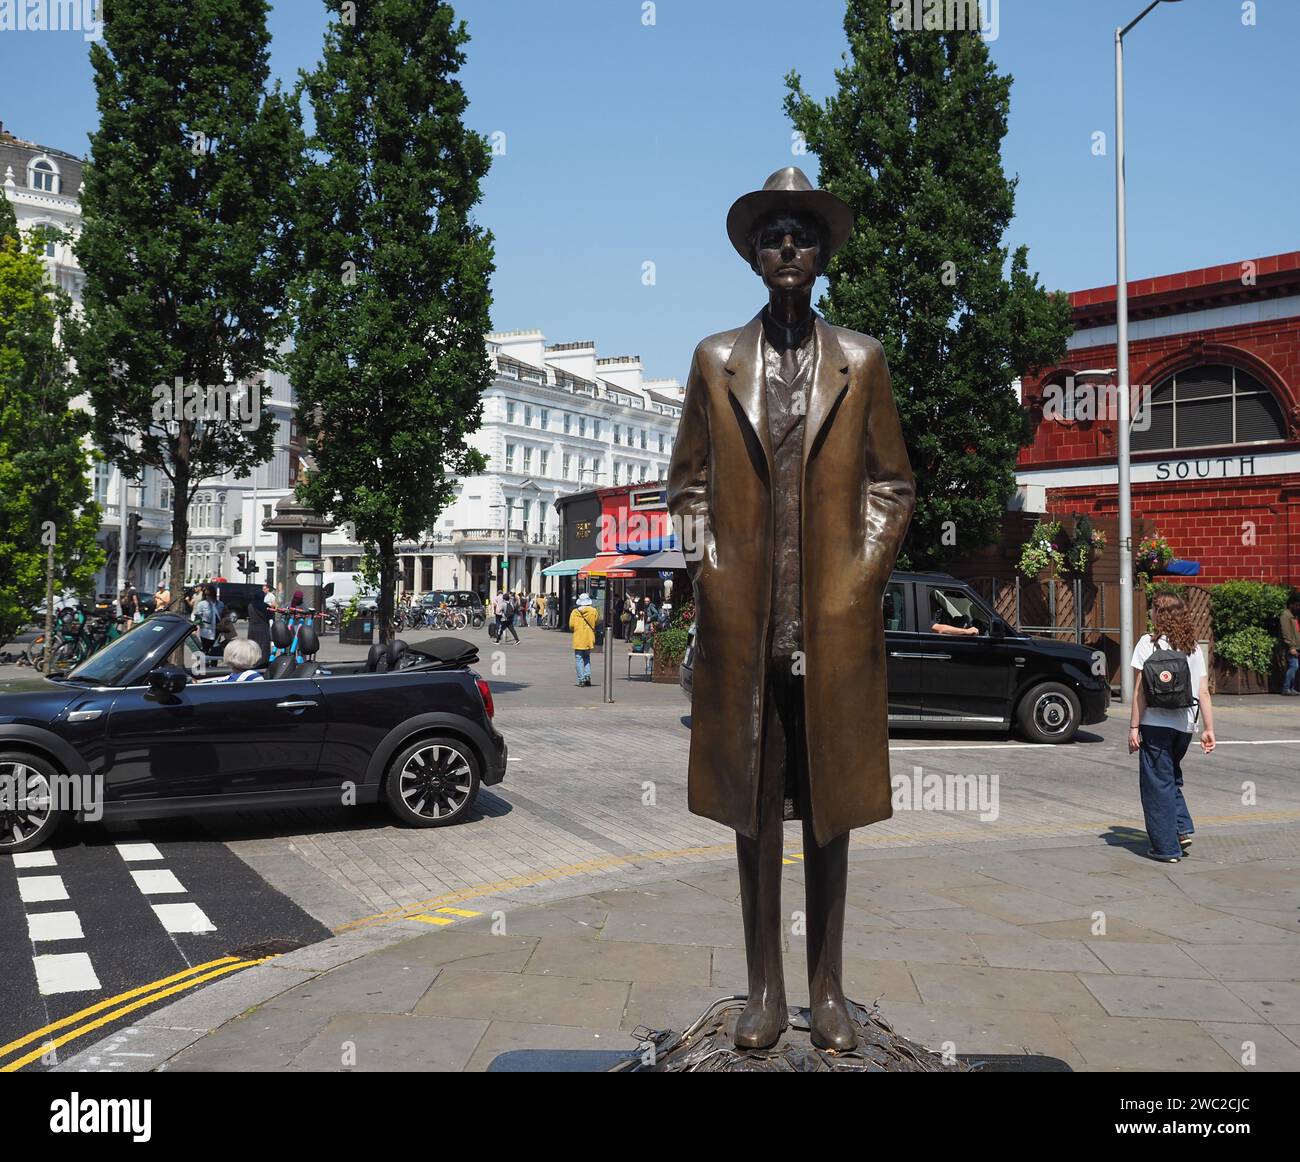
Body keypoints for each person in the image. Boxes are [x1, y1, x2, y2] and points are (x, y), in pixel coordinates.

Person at [666, 168, 915, 1051]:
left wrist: (860, 575)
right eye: (772, 236)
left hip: (832, 629)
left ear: (820, 254)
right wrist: (713, 572)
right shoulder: (713, 361)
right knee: (753, 817)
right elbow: (686, 486)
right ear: (753, 255)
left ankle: (831, 991)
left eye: (800, 236)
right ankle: (764, 991)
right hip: (746, 630)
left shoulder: (862, 360)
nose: (786, 250)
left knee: (832, 814)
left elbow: (892, 484)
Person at [1128, 592, 1216, 863]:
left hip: (1155, 724)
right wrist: (1208, 729)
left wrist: (1133, 727)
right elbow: (1203, 691)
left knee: (1157, 784)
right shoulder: (1191, 647)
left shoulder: (1146, 643)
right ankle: (1180, 828)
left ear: (1157, 614)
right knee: (1169, 775)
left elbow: (1140, 692)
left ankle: (1166, 849)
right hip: (1184, 725)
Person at [570, 593, 599, 686]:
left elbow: (571, 625)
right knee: (587, 658)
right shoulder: (593, 611)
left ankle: (581, 679)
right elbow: (597, 621)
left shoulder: (574, 612)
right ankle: (587, 676)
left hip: (578, 638)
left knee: (579, 659)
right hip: (588, 638)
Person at [193, 585, 220, 655]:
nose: (208, 596)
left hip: (218, 631)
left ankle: (214, 665)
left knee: (215, 651)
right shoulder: (202, 604)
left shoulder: (220, 604)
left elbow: (224, 615)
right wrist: (195, 628)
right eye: (206, 595)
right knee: (205, 651)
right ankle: (203, 665)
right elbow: (198, 618)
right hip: (205, 632)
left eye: (209, 595)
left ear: (213, 594)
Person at [1281, 598, 1300, 695]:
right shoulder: (1286, 615)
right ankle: (1286, 688)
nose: (1298, 607)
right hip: (1291, 646)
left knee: (1295, 667)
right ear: (1291, 605)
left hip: (1297, 646)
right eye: (1296, 605)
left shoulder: (1293, 616)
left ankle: (1291, 688)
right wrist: (1291, 646)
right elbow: (1286, 632)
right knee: (1294, 666)